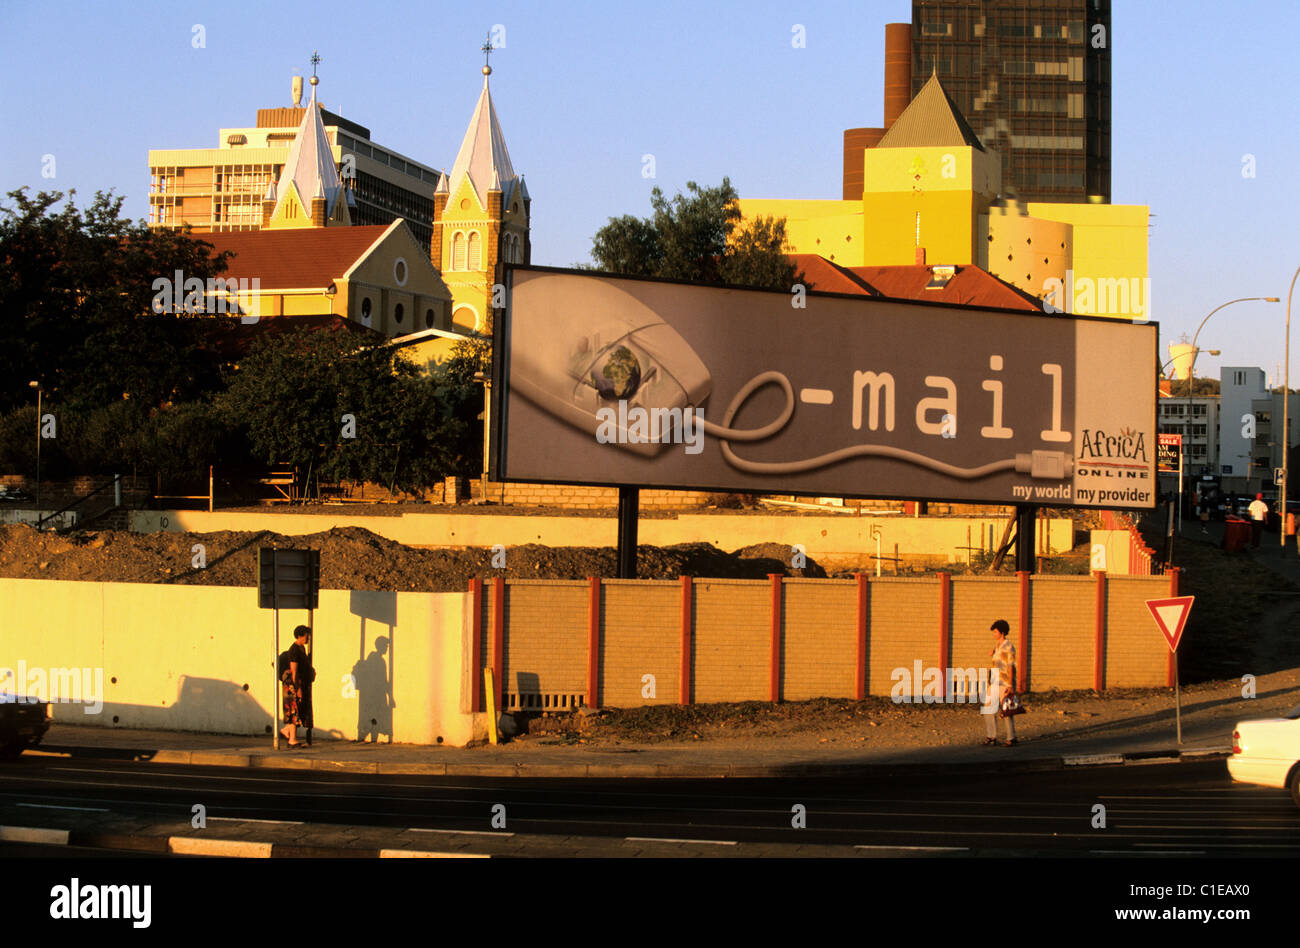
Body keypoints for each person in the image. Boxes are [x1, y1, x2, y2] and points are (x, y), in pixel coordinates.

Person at [981, 619, 1018, 747]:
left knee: (1006, 710)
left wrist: (1010, 685)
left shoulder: (1009, 647)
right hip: (994, 682)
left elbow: (1010, 666)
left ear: (1002, 633)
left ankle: (1011, 737)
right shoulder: (997, 646)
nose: (994, 634)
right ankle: (991, 736)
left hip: (1004, 683)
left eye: (995, 632)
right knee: (987, 708)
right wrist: (993, 653)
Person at [280, 626, 312, 747]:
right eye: (306, 636)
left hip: (297, 682)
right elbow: (294, 671)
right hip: (292, 684)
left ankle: (287, 731)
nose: (308, 638)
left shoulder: (301, 648)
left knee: (296, 709)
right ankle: (292, 739)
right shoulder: (294, 650)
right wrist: (297, 689)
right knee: (293, 710)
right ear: (299, 636)